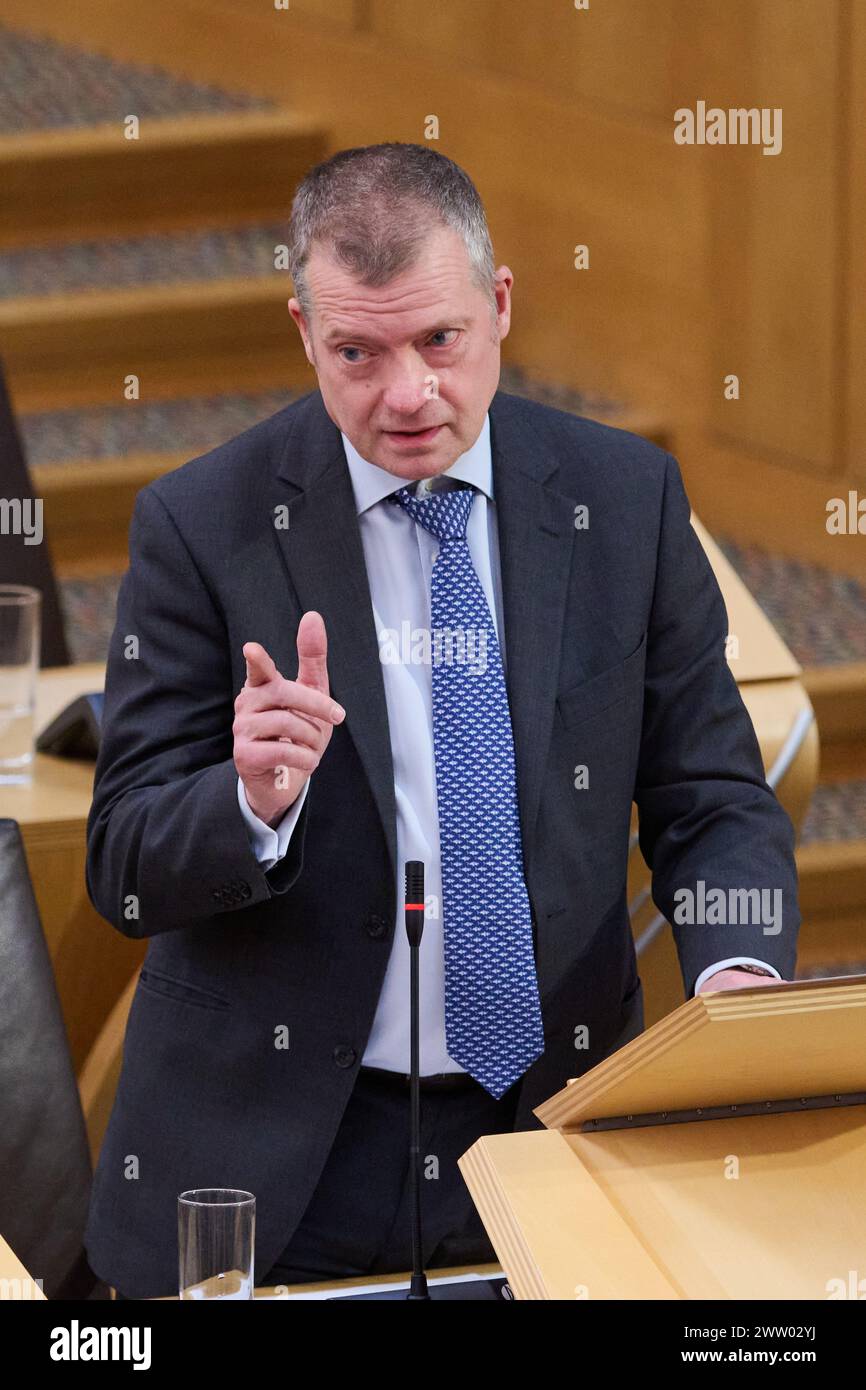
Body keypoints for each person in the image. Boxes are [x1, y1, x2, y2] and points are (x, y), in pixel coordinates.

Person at [84, 142, 799, 1300]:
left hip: (552, 1124)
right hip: (276, 1157)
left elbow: (708, 796)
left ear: (499, 305)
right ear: (304, 332)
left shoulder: (623, 498)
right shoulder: (200, 523)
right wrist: (246, 803)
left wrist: (735, 974)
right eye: (357, 352)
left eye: (438, 341)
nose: (406, 393)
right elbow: (119, 864)